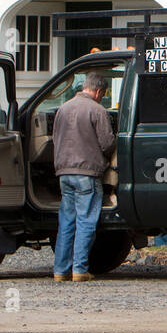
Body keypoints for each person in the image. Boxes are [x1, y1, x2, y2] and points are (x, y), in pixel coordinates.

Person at [51, 71, 115, 282]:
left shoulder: (63, 108)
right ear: (98, 91)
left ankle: (60, 271)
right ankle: (80, 269)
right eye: (102, 93)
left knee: (67, 221)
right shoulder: (97, 110)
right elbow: (107, 143)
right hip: (86, 173)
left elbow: (55, 139)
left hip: (64, 173)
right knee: (86, 220)